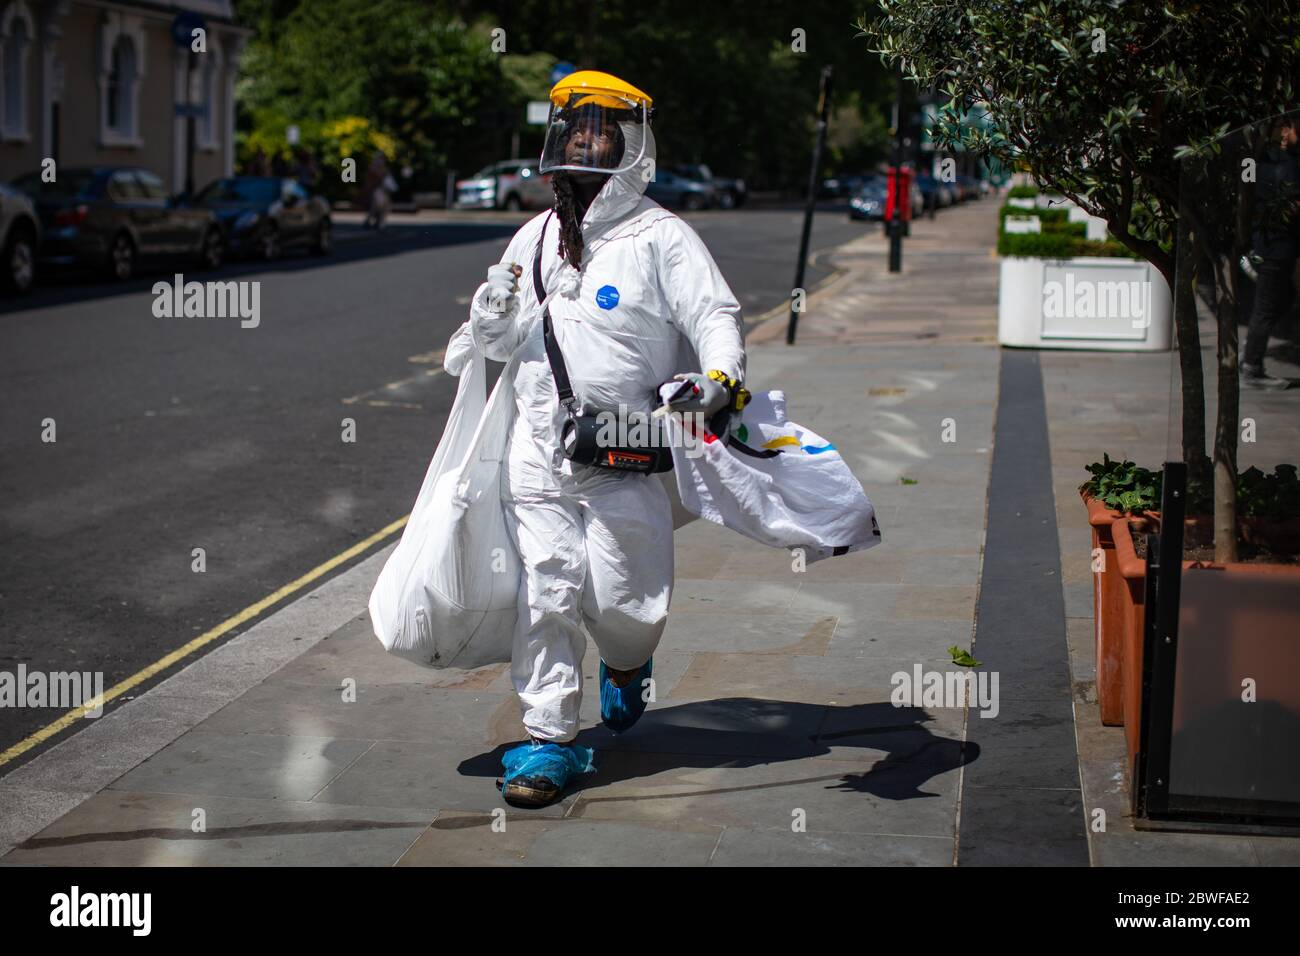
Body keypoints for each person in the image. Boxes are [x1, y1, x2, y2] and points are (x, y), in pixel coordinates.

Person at [465, 71, 747, 807]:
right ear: (559, 141)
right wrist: (490, 310)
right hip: (539, 453)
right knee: (548, 591)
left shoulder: (662, 236)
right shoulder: (534, 237)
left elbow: (715, 314)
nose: (587, 140)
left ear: (630, 146)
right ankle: (548, 742)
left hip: (625, 450)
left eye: (603, 130)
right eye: (577, 128)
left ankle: (626, 663)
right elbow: (498, 341)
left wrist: (717, 378)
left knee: (626, 606)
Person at [1242, 114, 1300, 390]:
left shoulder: (1263, 161)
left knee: (1284, 297)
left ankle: (1253, 344)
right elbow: (1289, 205)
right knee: (1266, 307)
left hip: (1270, 244)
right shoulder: (1282, 164)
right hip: (1277, 246)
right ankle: (1252, 364)